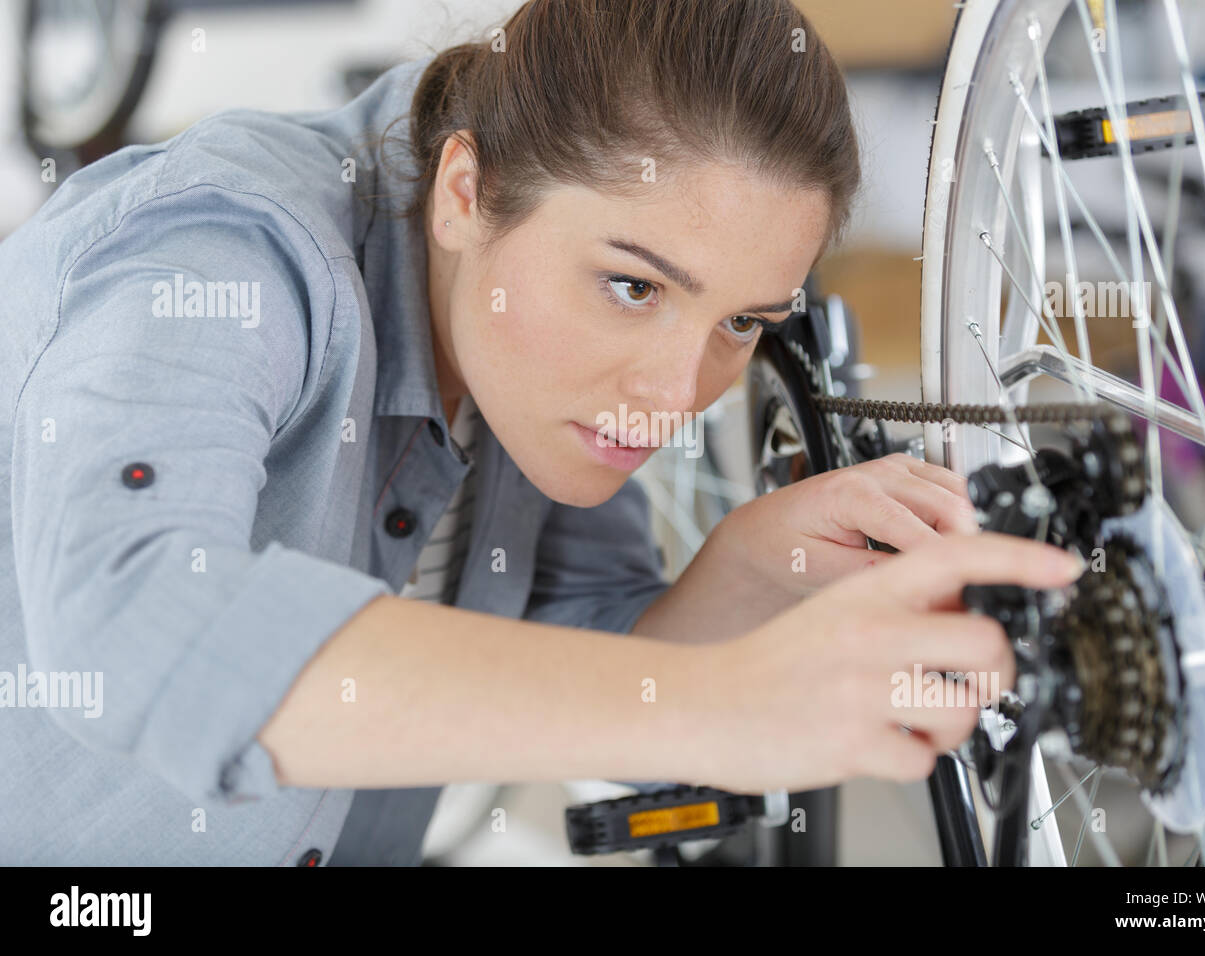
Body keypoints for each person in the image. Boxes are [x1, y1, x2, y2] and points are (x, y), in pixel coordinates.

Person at [0, 0, 1084, 865]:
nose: (669, 395)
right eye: (630, 284)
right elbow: (134, 619)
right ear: (467, 190)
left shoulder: (530, 359)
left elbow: (583, 682)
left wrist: (754, 574)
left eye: (740, 322)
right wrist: (727, 701)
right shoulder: (218, 260)